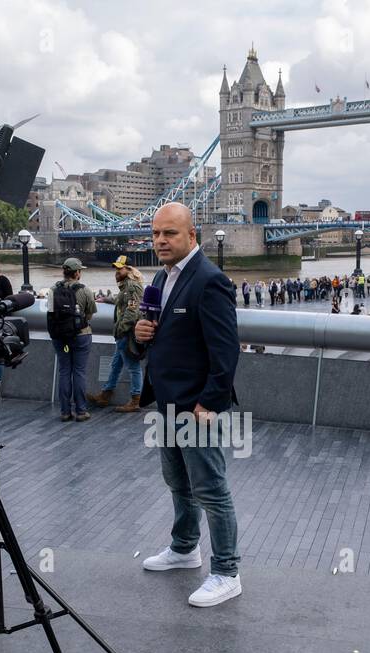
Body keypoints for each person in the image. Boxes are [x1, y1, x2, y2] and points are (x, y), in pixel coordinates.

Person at [128, 203, 242, 608]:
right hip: (167, 400)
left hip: (197, 407)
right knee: (178, 482)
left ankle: (227, 571)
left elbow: (226, 351)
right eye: (156, 233)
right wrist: (141, 335)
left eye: (170, 233)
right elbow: (157, 338)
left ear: (192, 236)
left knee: (210, 489)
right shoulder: (161, 278)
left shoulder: (210, 281)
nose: (160, 240)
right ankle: (184, 548)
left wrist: (209, 403)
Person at [89, 255, 144, 412]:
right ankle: (106, 394)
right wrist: (105, 299)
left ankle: (135, 400)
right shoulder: (126, 287)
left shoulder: (132, 287)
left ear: (129, 269)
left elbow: (132, 311)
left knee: (133, 367)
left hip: (126, 334)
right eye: (116, 268)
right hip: (123, 334)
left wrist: (120, 329)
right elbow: (120, 300)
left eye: (120, 268)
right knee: (115, 365)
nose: (116, 271)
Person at [51, 257, 96, 422]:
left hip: (62, 340)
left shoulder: (52, 290)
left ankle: (65, 412)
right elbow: (90, 313)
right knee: (79, 371)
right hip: (81, 336)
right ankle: (81, 411)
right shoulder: (85, 291)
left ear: (64, 272)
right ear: (77, 272)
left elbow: (50, 314)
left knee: (64, 371)